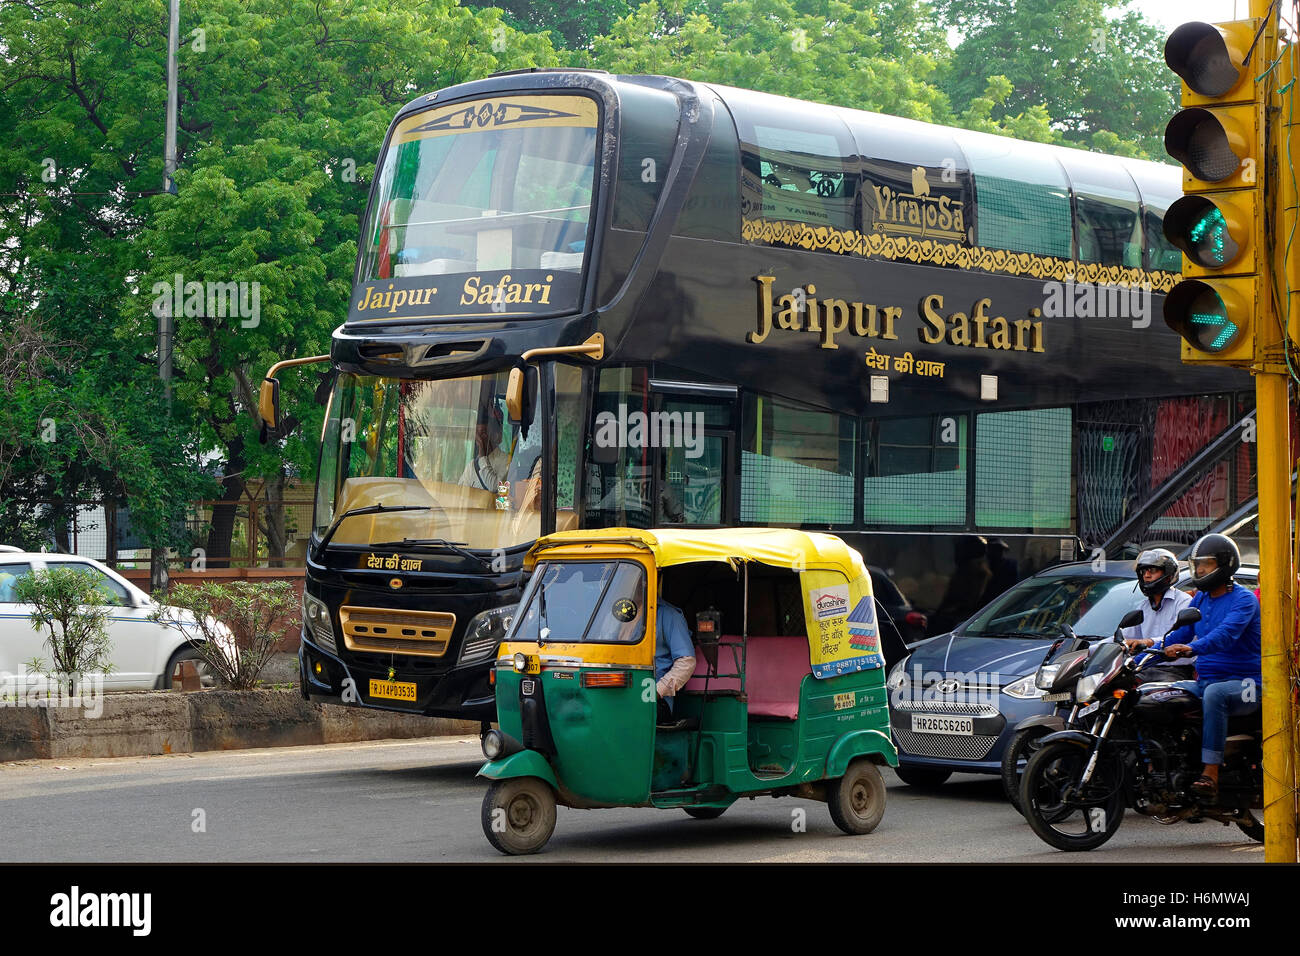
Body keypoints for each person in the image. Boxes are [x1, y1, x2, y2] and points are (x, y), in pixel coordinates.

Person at [1160, 533, 1261, 799]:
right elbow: (1178, 635)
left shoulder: (1244, 599)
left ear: (1225, 564)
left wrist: (1192, 648)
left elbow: (1225, 635)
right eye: (1198, 564)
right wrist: (1144, 649)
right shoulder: (1202, 599)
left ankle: (1211, 772)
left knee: (1216, 694)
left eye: (1207, 563)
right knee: (1160, 694)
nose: (1200, 570)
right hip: (1206, 680)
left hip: (1247, 683)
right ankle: (1170, 767)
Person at [1121, 547, 1194, 683]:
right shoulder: (1143, 606)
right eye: (1143, 571)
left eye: (1153, 570)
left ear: (1168, 573)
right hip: (1142, 668)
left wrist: (1147, 642)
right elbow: (1126, 637)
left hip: (1174, 672)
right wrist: (1088, 650)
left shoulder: (1183, 602)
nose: (1146, 575)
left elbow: (1180, 637)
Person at [655, 589, 696, 722]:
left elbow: (687, 662)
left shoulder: (669, 615)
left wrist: (656, 691)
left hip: (655, 700)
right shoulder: (612, 614)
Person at [458, 403, 510, 492]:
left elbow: (494, 488)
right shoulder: (472, 466)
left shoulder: (506, 461)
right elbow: (460, 494)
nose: (479, 438)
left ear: (495, 436)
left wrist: (482, 457)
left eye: (482, 433)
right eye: (477, 433)